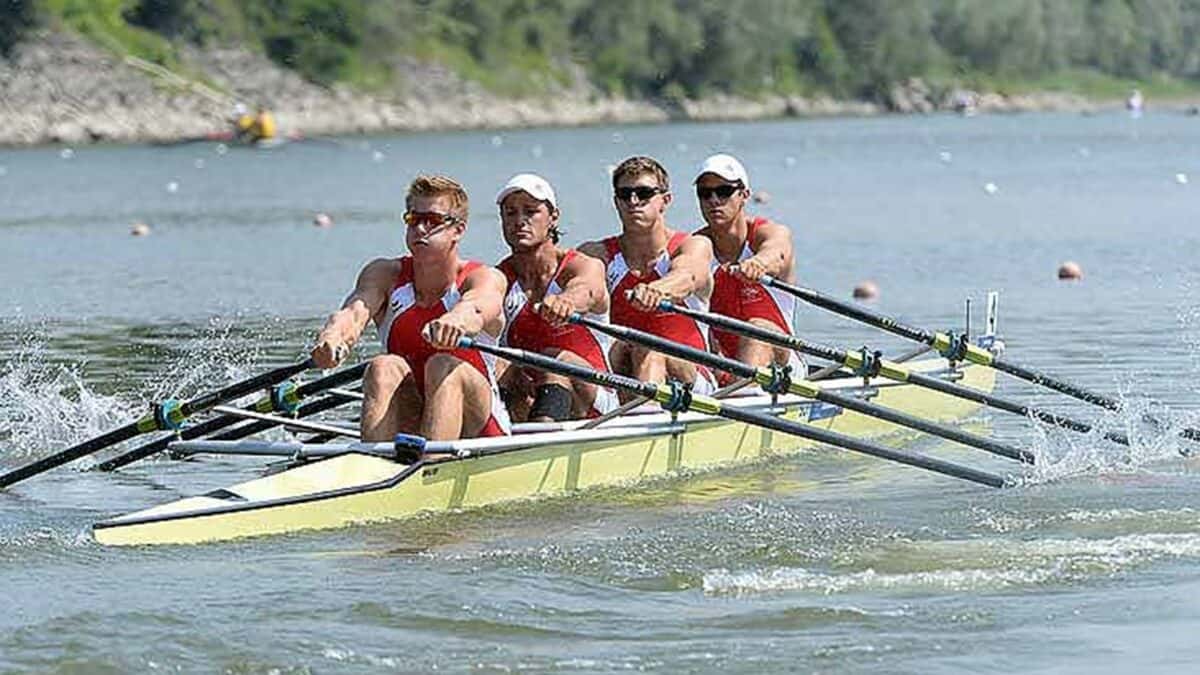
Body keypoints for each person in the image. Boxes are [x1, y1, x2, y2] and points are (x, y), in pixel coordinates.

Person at [310, 175, 511, 441]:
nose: (420, 229)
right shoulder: (384, 274)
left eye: (433, 221)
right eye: (413, 219)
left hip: (480, 430)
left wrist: (455, 322)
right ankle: (374, 466)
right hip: (413, 420)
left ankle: (430, 467)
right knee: (383, 366)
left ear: (458, 230)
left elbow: (475, 308)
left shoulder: (484, 277)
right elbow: (352, 314)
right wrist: (332, 339)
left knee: (442, 364)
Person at [579, 156, 716, 397]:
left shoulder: (692, 245)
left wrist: (657, 290)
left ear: (665, 201)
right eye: (625, 194)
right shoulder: (596, 254)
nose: (633, 201)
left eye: (643, 193)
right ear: (616, 202)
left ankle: (643, 419)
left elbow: (687, 276)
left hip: (692, 380)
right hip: (621, 373)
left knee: (649, 349)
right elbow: (583, 285)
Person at [493, 173, 618, 422]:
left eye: (530, 211)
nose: (520, 221)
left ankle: (541, 435)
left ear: (553, 218)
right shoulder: (498, 278)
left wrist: (567, 301)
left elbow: (586, 289)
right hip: (530, 396)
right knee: (495, 365)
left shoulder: (582, 266)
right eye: (510, 213)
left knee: (552, 359)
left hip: (596, 405)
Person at [691, 153, 804, 382]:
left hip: (782, 365)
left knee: (756, 329)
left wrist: (758, 264)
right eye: (705, 193)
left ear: (744, 195)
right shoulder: (695, 247)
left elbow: (777, 252)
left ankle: (743, 394)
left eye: (723, 192)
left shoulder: (768, 233)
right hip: (723, 366)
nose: (713, 200)